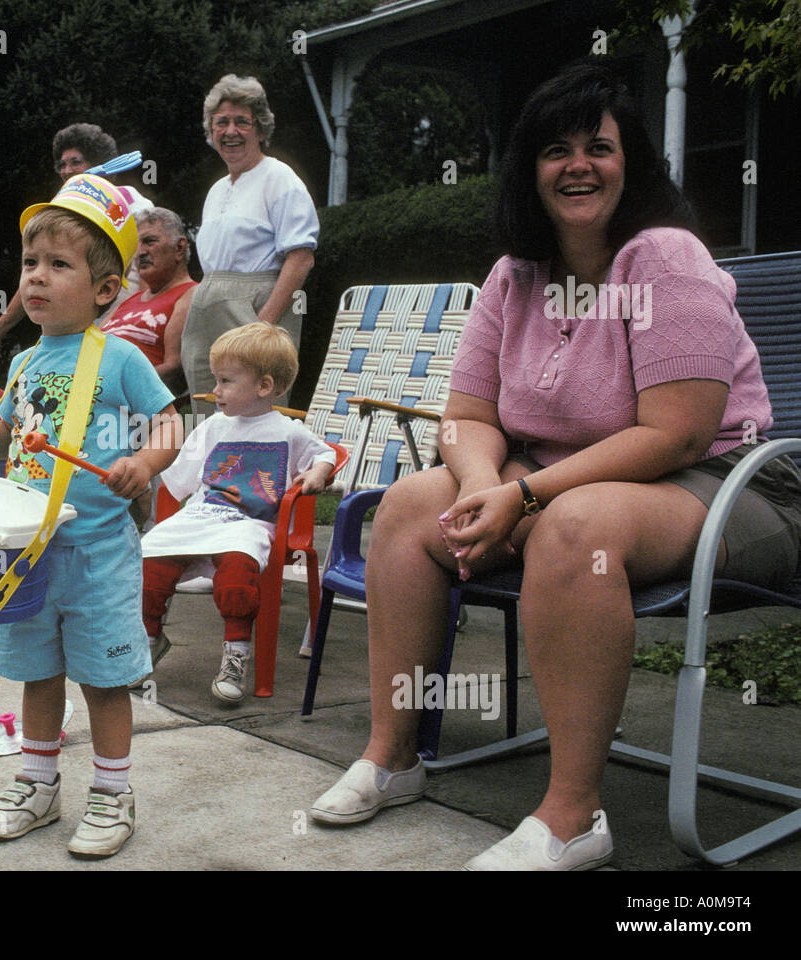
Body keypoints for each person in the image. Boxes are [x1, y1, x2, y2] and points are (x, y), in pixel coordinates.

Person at [308, 63, 801, 871]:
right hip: (559, 478)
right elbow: (466, 418)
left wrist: (526, 492)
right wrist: (480, 486)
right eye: (555, 150)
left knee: (575, 529)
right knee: (407, 508)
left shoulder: (665, 258)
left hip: (728, 482)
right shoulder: (516, 275)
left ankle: (573, 817)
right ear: (528, 172)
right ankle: (394, 756)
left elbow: (677, 433)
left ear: (630, 164)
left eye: (599, 147)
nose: (578, 164)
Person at [0, 174, 182, 859]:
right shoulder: (23, 362)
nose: (36, 278)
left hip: (98, 554)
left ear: (105, 290)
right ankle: (38, 784)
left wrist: (147, 464)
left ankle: (112, 794)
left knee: (104, 679)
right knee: (36, 671)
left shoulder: (122, 358)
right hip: (27, 554)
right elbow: (8, 432)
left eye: (58, 265)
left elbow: (169, 425)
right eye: (30, 264)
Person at [140, 323, 335, 701]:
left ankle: (236, 653)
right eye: (216, 380)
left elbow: (326, 453)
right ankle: (149, 636)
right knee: (151, 558)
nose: (215, 391)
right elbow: (178, 480)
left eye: (226, 381)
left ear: (263, 386)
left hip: (250, 523)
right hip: (202, 516)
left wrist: (318, 472)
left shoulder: (288, 431)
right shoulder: (214, 425)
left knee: (237, 576)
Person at [182, 74, 319, 416]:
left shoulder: (279, 177)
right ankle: (210, 472)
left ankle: (261, 471)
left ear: (260, 129)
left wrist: (263, 325)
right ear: (210, 132)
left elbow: (301, 258)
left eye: (242, 122)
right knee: (207, 410)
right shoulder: (216, 190)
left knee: (255, 409)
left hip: (255, 305)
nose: (230, 131)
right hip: (208, 305)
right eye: (221, 123)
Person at [0, 122, 150, 363]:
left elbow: (148, 272)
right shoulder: (63, 210)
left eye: (75, 161)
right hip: (73, 337)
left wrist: (139, 324)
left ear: (100, 162)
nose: (67, 170)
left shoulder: (132, 204)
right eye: (62, 164)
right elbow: (38, 273)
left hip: (122, 331)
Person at [99, 207, 197, 395]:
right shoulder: (132, 299)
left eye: (149, 242)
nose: (140, 253)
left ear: (179, 248)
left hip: (126, 400)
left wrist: (108, 385)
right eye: (137, 245)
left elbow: (174, 367)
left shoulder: (190, 293)